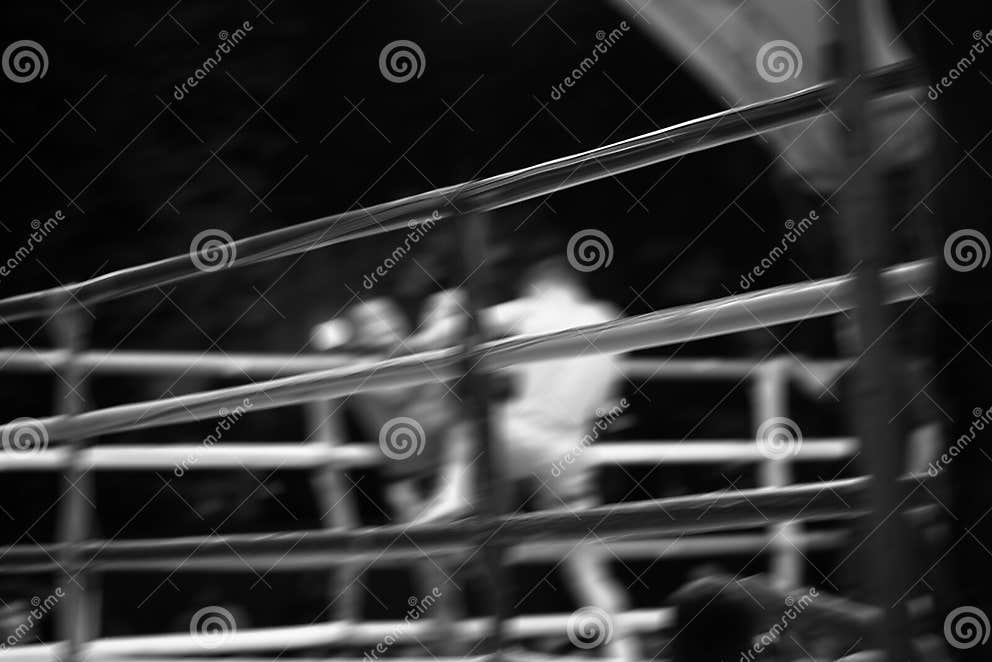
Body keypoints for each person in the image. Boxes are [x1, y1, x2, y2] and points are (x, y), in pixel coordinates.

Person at [407, 257, 641, 662]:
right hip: (570, 446)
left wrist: (424, 335)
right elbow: (606, 402)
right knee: (587, 565)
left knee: (474, 424)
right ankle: (624, 652)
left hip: (516, 432)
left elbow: (457, 329)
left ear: (539, 285)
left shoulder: (533, 308)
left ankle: (453, 495)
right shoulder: (609, 319)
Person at [310, 296, 471, 655]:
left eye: (388, 315)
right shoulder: (354, 369)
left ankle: (496, 639)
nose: (384, 322)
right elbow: (327, 363)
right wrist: (331, 342)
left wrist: (446, 312)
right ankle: (454, 652)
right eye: (372, 319)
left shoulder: (429, 349)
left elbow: (460, 315)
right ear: (361, 330)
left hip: (457, 471)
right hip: (408, 484)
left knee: (488, 555)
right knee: (435, 580)